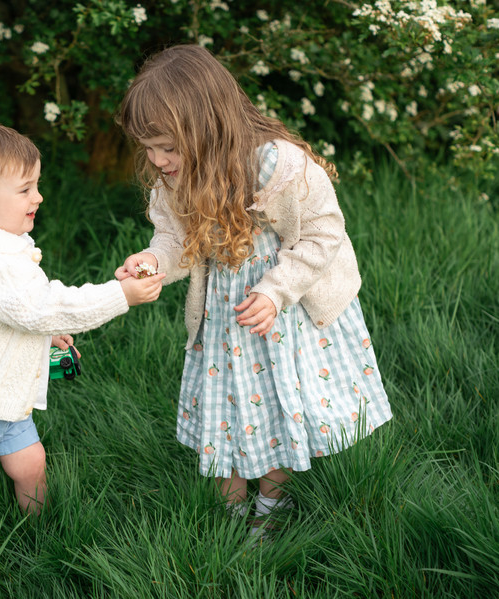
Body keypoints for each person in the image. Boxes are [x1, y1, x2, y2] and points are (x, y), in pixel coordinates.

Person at [114, 45, 392, 536]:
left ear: (207, 127)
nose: (157, 160)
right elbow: (176, 238)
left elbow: (322, 231)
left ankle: (271, 505)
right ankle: (226, 512)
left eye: (167, 147)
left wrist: (275, 290)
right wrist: (153, 259)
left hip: (279, 311)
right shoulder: (174, 178)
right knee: (227, 402)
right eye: (149, 148)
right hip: (223, 315)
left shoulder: (277, 165)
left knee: (276, 401)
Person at [0, 121, 165, 550]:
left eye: (37, 186)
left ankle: (43, 534)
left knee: (31, 465)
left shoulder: (3, 246)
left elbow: (10, 316)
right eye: (26, 189)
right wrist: (119, 295)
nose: (39, 197)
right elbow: (39, 307)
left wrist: (47, 336)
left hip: (4, 398)